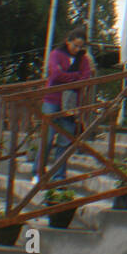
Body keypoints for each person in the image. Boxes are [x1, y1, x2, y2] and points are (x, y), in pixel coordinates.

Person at [40, 27, 93, 182]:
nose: (77, 49)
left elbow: (86, 77)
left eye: (80, 47)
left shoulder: (83, 59)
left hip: (70, 103)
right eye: (75, 45)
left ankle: (58, 177)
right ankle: (39, 172)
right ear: (68, 41)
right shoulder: (56, 54)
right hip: (52, 99)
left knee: (65, 141)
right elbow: (55, 74)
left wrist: (67, 76)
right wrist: (75, 77)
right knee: (47, 139)